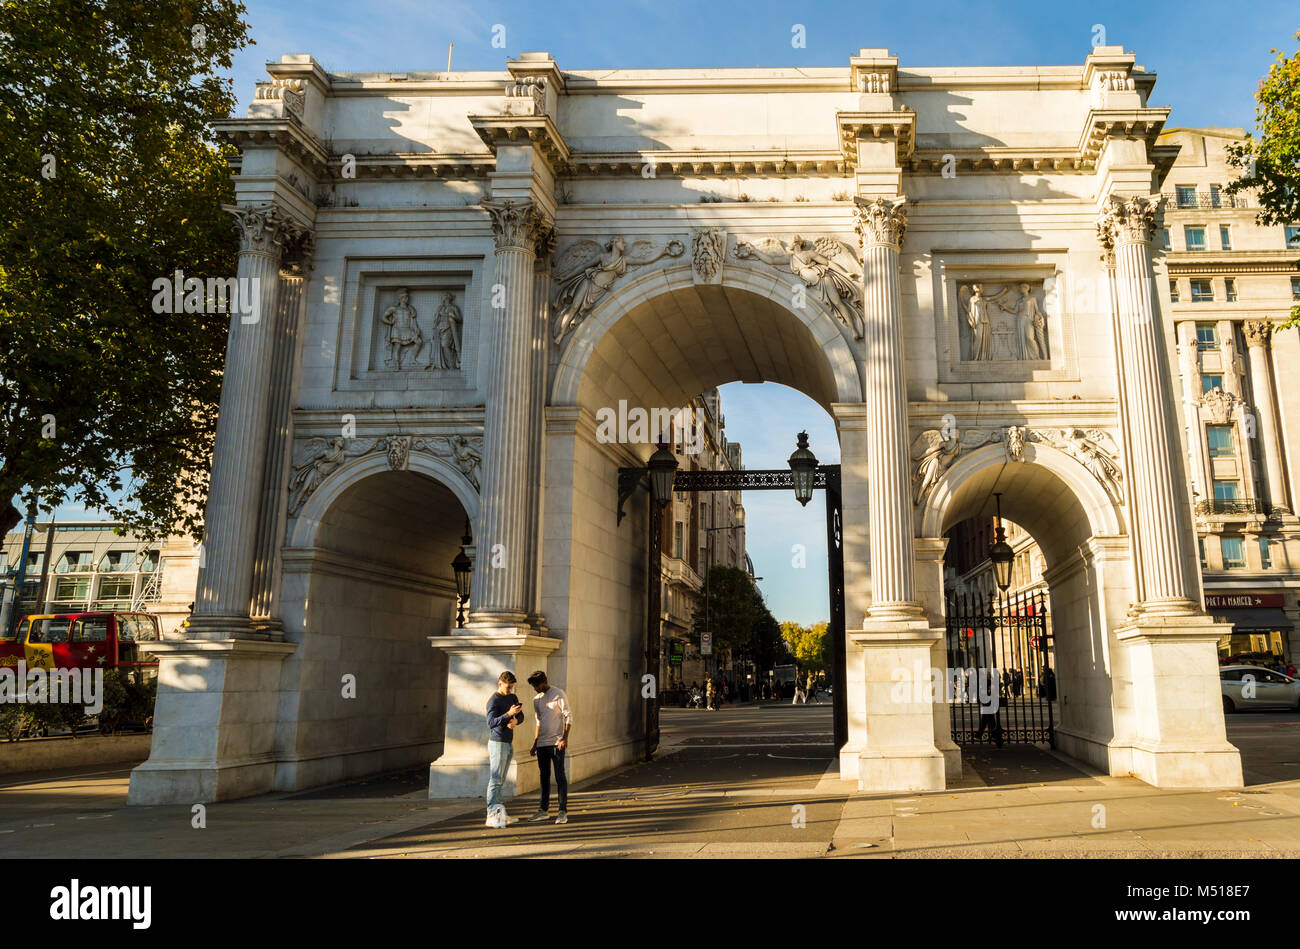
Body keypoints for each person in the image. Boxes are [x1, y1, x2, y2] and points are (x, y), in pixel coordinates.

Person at [526, 671, 572, 825]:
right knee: (544, 777)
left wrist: (564, 738)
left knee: (559, 776)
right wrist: (535, 743)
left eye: (536, 685)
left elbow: (568, 716)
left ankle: (562, 811)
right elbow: (538, 721)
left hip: (556, 743)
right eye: (533, 686)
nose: (535, 689)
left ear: (544, 681)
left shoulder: (558, 694)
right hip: (542, 745)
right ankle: (543, 810)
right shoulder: (536, 699)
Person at [485, 670, 524, 827]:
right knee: (495, 779)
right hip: (497, 742)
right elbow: (490, 722)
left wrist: (516, 721)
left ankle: (499, 813)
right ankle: (491, 814)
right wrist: (508, 714)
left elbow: (521, 715)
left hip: (508, 742)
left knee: (500, 780)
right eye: (508, 687)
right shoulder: (494, 700)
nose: (510, 690)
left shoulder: (513, 697)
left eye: (512, 687)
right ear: (500, 684)